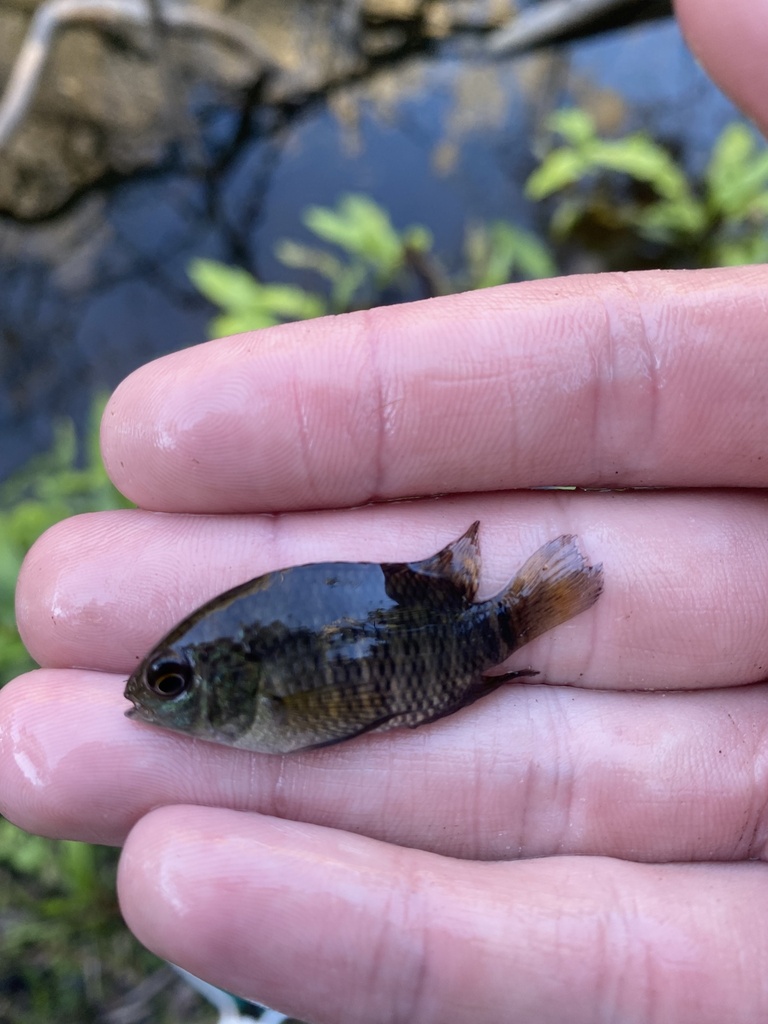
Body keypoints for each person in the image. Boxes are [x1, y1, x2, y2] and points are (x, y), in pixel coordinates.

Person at [3, 1, 768, 1019]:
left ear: (231, 676)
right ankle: (518, 616)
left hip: (450, 635)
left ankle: (527, 611)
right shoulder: (249, 691)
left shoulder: (262, 689)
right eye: (171, 680)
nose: (160, 697)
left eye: (177, 679)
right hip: (446, 639)